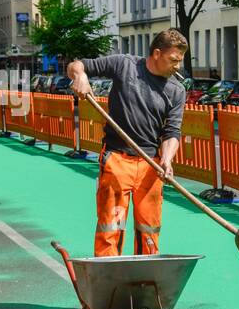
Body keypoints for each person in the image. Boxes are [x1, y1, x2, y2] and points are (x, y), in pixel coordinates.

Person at [67, 31, 187, 257]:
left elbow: (172, 131)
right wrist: (80, 77)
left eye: (180, 61)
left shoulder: (176, 91)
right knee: (111, 227)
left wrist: (167, 160)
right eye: (174, 60)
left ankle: (144, 283)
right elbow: (76, 65)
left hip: (152, 166)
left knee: (149, 231)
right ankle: (108, 281)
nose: (178, 66)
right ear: (157, 53)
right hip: (117, 160)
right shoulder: (125, 65)